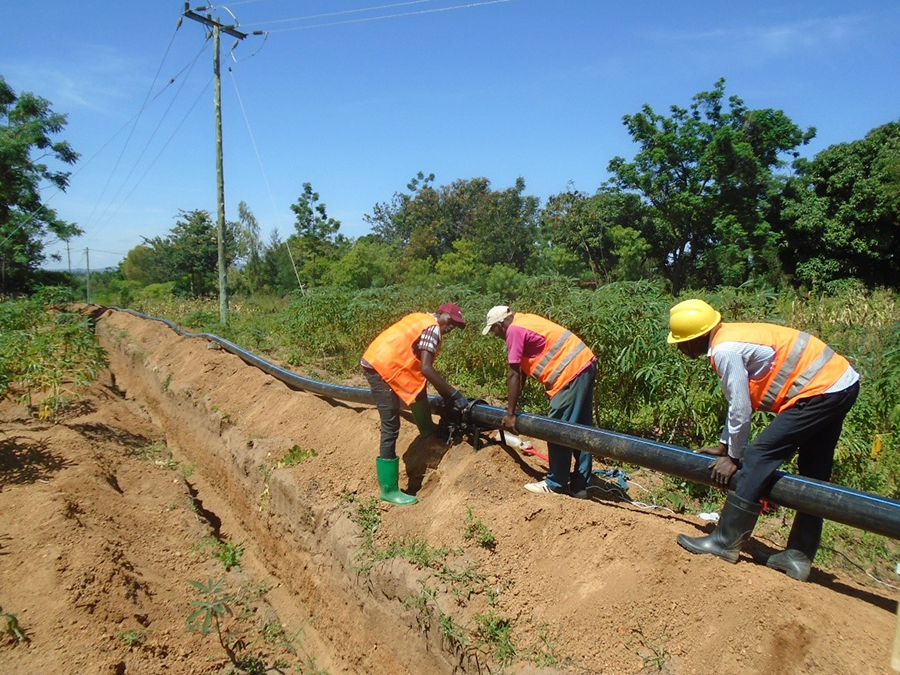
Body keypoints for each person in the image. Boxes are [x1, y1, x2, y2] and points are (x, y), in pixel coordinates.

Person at [667, 298, 860, 581]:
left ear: (694, 338)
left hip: (820, 390)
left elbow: (740, 407)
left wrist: (733, 457)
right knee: (814, 471)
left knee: (758, 456)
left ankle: (725, 542)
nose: (680, 349)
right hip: (841, 383)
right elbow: (741, 399)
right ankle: (798, 557)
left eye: (681, 343)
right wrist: (724, 445)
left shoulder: (724, 350)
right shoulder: (729, 336)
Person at [361, 303, 470, 506]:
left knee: (418, 387)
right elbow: (426, 369)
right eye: (451, 321)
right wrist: (453, 394)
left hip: (381, 360)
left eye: (455, 325)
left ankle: (427, 430)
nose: (451, 327)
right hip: (381, 367)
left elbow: (419, 374)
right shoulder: (433, 329)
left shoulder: (421, 318)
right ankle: (389, 490)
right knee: (390, 425)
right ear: (440, 314)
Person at [483, 305, 597, 497]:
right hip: (584, 363)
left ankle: (556, 483)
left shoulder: (513, 330)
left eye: (494, 331)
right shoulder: (525, 320)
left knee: (556, 428)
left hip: (569, 374)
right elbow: (522, 374)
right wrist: (513, 406)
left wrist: (510, 414)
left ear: (500, 325)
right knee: (581, 428)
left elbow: (514, 374)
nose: (497, 335)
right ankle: (580, 486)